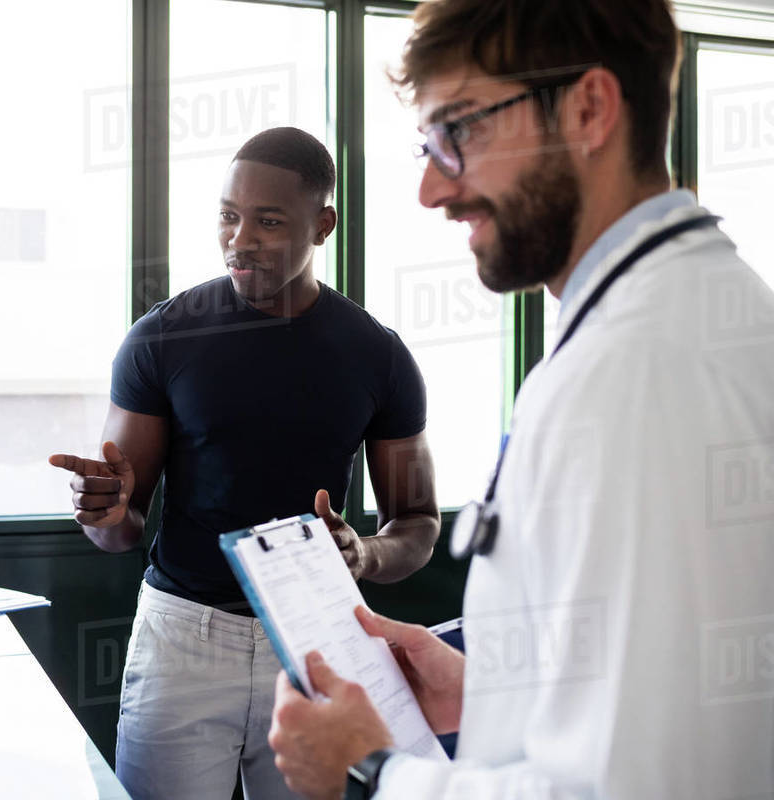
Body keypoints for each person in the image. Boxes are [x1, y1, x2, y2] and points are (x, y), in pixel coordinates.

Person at [267, 1, 774, 798]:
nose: (433, 187)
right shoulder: (694, 317)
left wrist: (371, 770)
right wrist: (488, 692)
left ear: (588, 110)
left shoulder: (636, 373)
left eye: (459, 131)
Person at [49, 127, 441, 799]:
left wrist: (365, 556)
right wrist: (105, 510)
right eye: (228, 217)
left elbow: (418, 522)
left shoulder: (378, 355)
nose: (241, 238)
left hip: (317, 642)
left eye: (268, 220)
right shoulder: (163, 340)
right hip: (183, 641)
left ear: (323, 225)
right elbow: (120, 531)